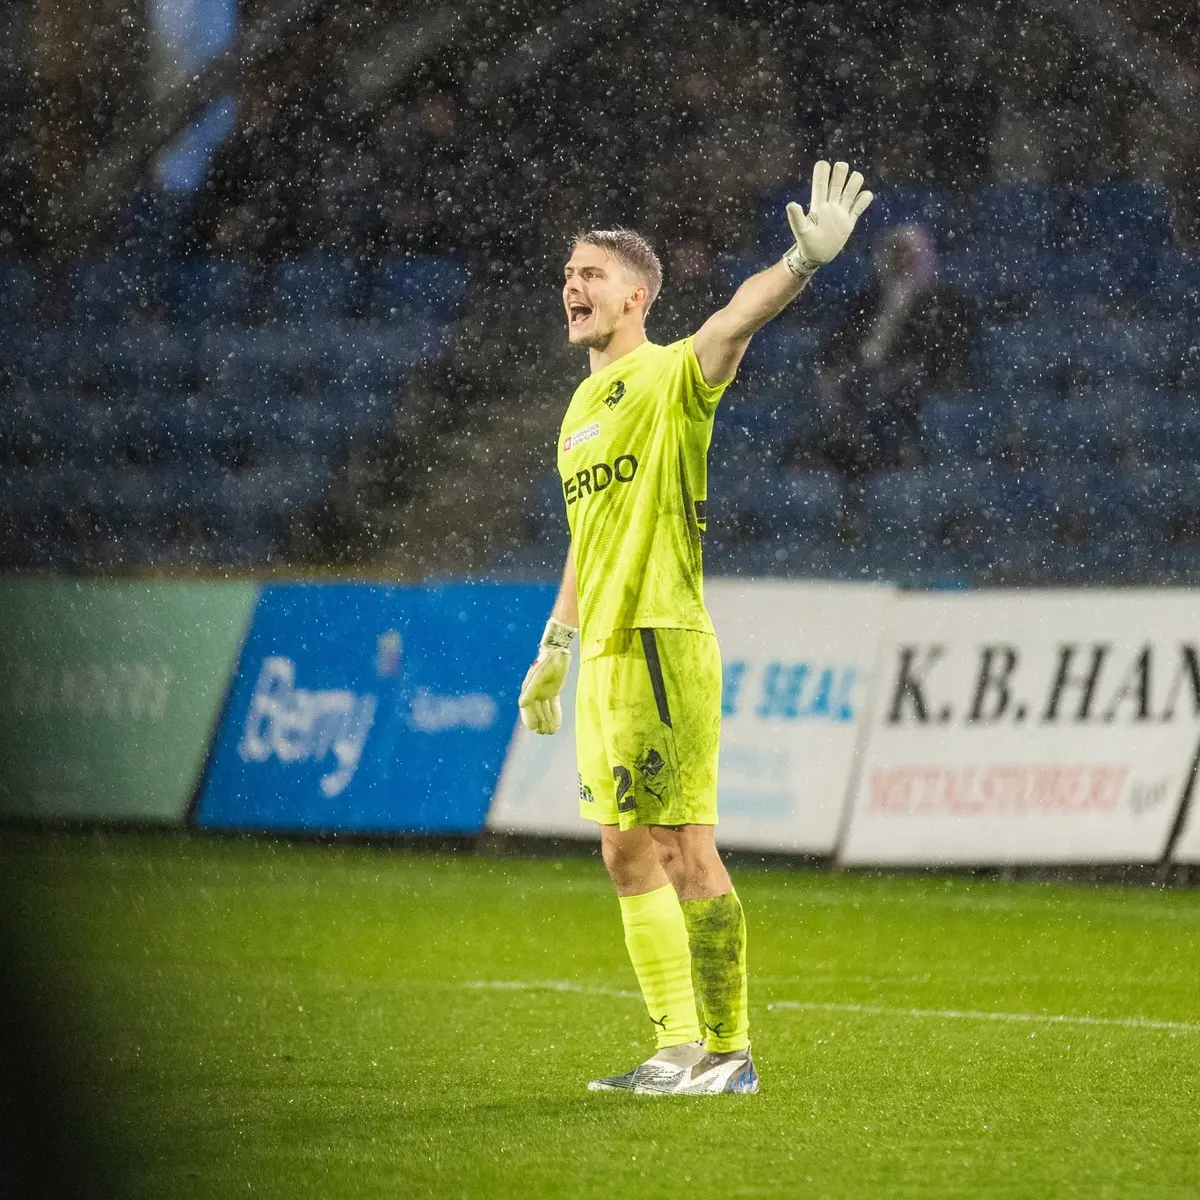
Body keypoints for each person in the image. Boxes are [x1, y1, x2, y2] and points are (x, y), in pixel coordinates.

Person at [517, 161, 874, 1095]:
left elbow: (734, 320)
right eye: (567, 274)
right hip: (603, 654)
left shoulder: (671, 375)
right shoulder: (578, 414)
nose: (572, 286)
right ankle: (677, 1044)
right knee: (623, 849)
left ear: (636, 297)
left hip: (663, 639)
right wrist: (555, 645)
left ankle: (729, 1051)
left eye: (590, 274)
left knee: (685, 847)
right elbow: (584, 541)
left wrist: (800, 260)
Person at [815, 222, 976, 477]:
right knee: (832, 384)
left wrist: (904, 364)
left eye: (907, 253)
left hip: (912, 376)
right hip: (865, 374)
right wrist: (845, 364)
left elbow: (943, 348)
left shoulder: (942, 301)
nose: (901, 260)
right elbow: (841, 341)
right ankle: (846, 448)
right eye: (895, 252)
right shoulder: (868, 298)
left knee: (892, 386)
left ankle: (893, 453)